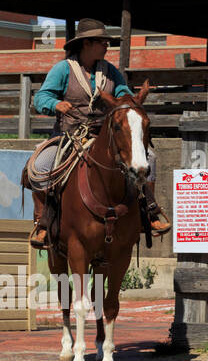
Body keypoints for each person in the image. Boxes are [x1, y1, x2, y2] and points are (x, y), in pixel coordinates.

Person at [26, 19, 170, 249]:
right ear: (86, 44)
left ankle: (150, 212)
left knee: (149, 157)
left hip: (106, 134)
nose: (107, 46)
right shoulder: (63, 69)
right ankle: (43, 222)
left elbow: (123, 93)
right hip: (69, 134)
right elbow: (40, 98)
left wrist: (130, 101)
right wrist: (55, 104)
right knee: (41, 164)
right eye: (102, 42)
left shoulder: (111, 71)